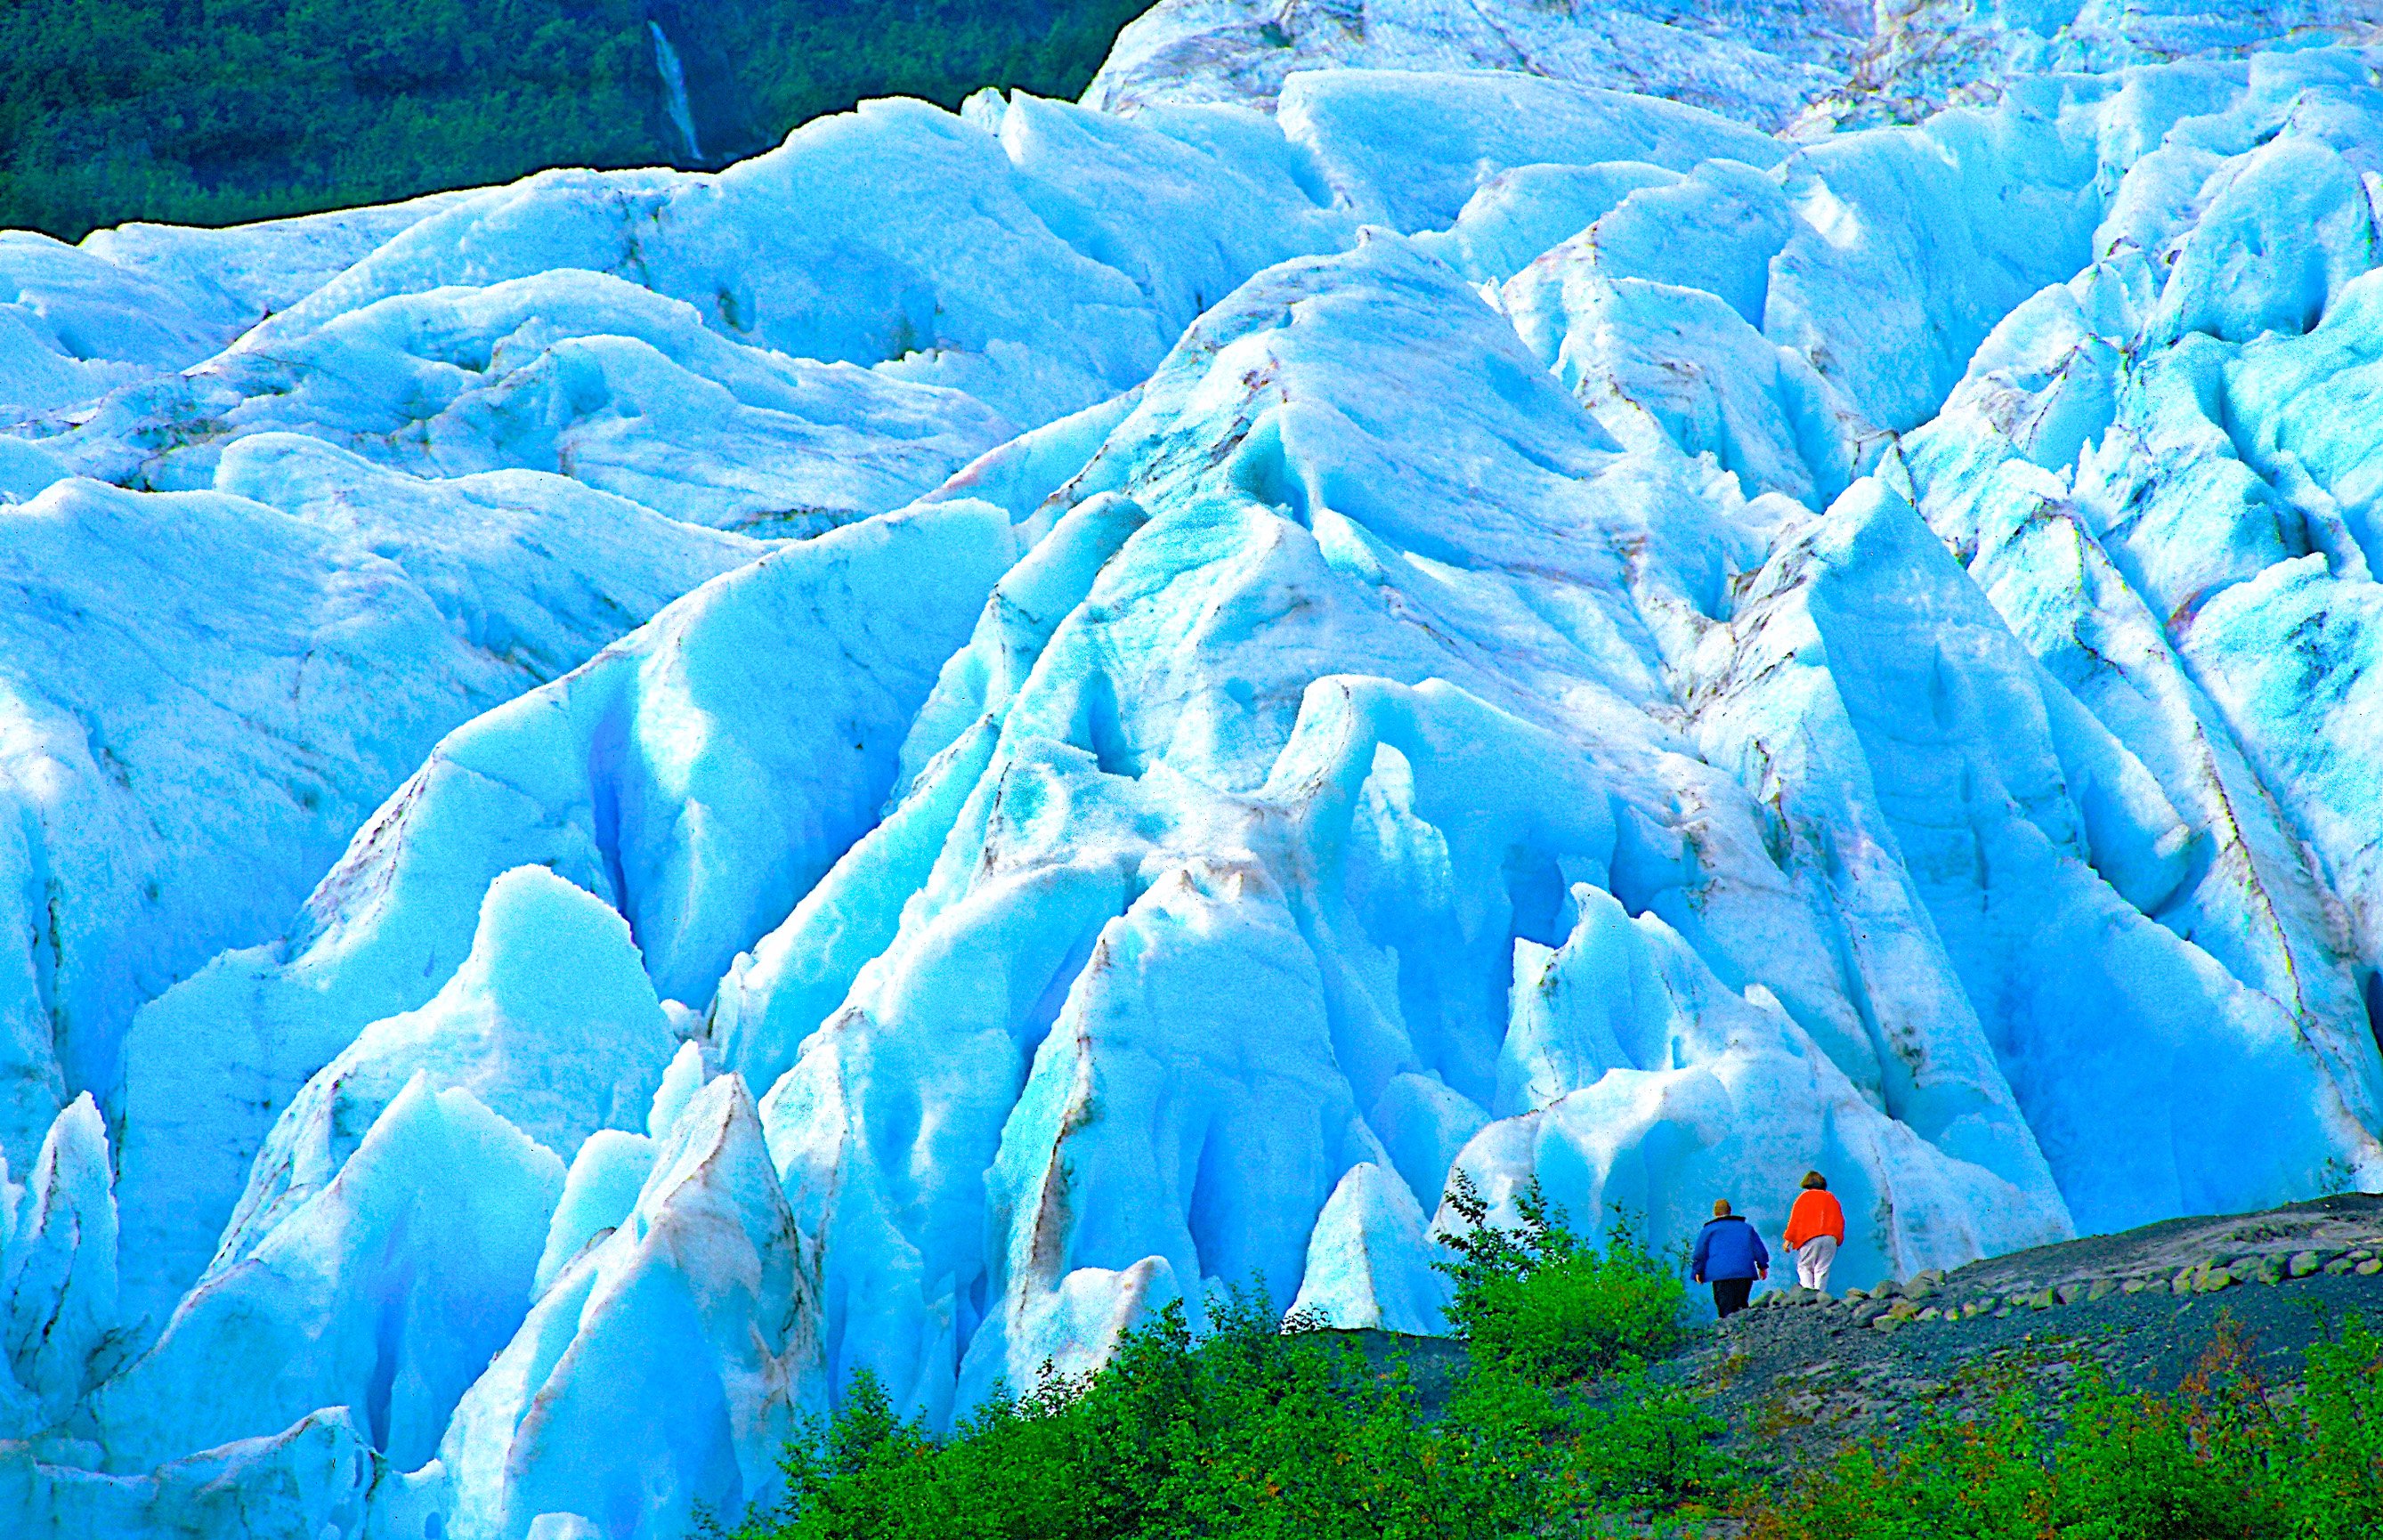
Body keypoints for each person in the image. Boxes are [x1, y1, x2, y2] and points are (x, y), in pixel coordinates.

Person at [1690, 1198, 1768, 1317]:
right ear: (1730, 1211)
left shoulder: (1708, 1230)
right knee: (1741, 1304)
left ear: (1715, 1213)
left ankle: (1728, 1327)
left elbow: (1700, 1253)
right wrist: (1762, 1267)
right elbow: (1758, 1249)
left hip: (1720, 1274)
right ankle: (1744, 1326)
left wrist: (1697, 1271)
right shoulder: (1746, 1228)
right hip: (1744, 1272)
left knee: (1725, 1308)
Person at [1784, 1171, 1845, 1293]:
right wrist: (1838, 1239)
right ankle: (1820, 1295)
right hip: (1830, 1238)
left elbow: (1795, 1220)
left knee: (1805, 1267)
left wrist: (1788, 1239)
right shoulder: (1831, 1198)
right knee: (1822, 1268)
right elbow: (1840, 1220)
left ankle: (1808, 1295)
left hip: (1809, 1238)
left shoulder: (1804, 1198)